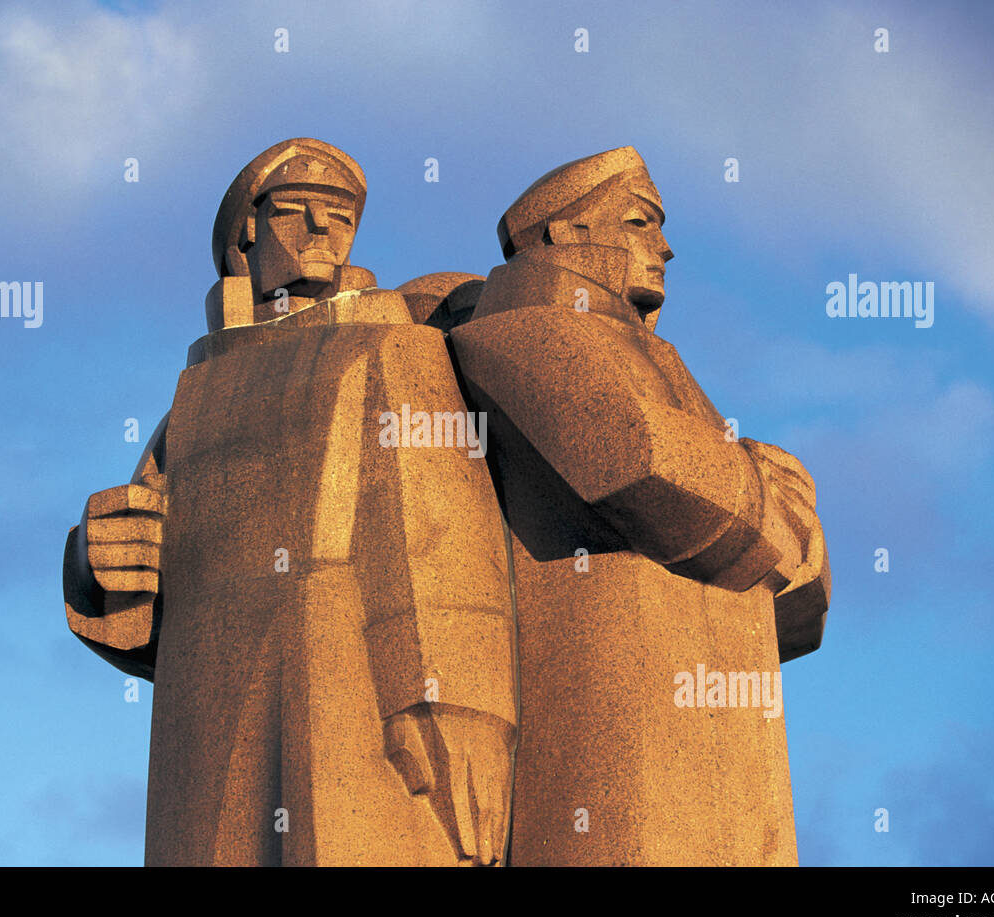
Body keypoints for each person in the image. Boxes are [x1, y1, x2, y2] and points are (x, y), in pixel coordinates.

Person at [63, 139, 517, 865]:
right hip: (202, 709)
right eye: (295, 210)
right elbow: (141, 580)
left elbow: (439, 531)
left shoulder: (390, 346)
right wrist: (96, 562)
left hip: (340, 680)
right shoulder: (196, 396)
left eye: (340, 215)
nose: (321, 228)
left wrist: (455, 704)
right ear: (246, 231)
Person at [449, 146, 831, 864]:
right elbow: (644, 465)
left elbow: (803, 604)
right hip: (613, 718)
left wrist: (769, 514)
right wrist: (771, 491)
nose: (665, 247)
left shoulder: (647, 351)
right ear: (563, 232)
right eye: (639, 222)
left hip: (723, 731)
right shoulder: (527, 331)